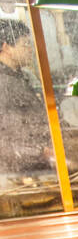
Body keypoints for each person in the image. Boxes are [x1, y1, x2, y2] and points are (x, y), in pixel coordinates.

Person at [0, 18, 53, 176]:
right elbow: (7, 136)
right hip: (17, 171)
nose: (30, 49)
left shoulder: (21, 77)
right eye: (25, 44)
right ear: (6, 48)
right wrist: (42, 152)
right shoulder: (4, 84)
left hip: (34, 166)